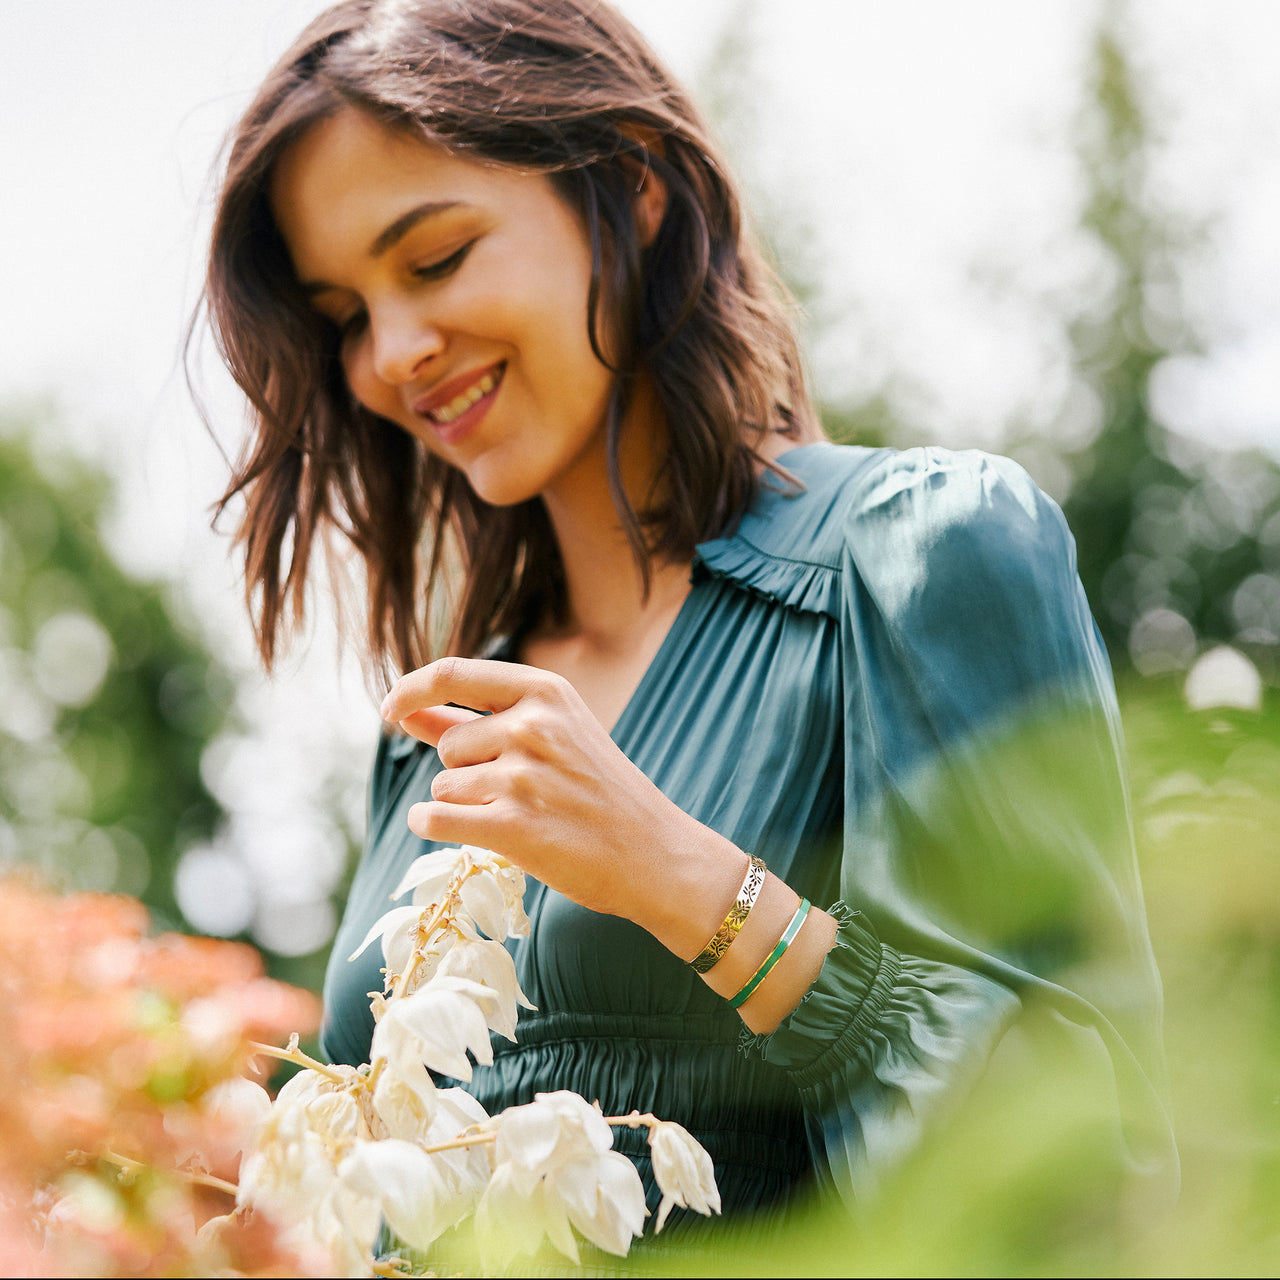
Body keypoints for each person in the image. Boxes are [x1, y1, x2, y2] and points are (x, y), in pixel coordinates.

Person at [202, 0, 1177, 1259]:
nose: (392, 352)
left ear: (634, 185)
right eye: (344, 313)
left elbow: (1082, 1184)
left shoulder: (923, 552)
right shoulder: (438, 734)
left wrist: (686, 881)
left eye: (434, 258)